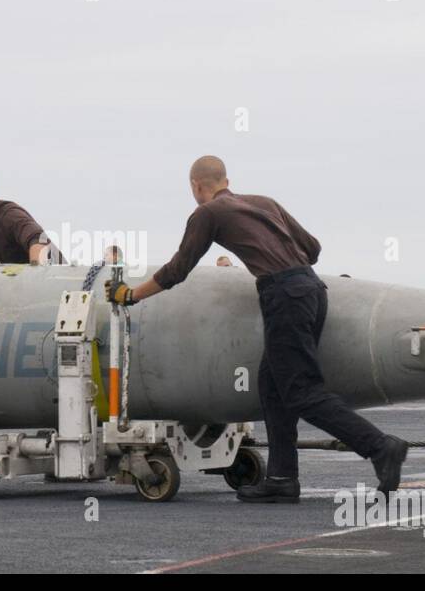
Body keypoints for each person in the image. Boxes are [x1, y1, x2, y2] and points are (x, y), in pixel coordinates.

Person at [104, 156, 408, 502]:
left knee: (300, 391)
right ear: (226, 180)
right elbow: (313, 249)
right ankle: (281, 478)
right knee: (272, 386)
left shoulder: (208, 214)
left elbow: (178, 269)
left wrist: (130, 294)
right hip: (312, 289)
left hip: (285, 296)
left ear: (195, 186)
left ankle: (380, 447)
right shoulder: (264, 203)